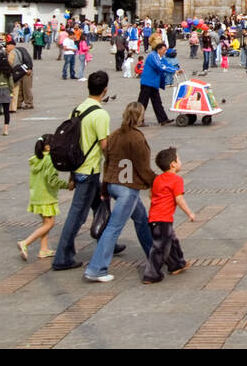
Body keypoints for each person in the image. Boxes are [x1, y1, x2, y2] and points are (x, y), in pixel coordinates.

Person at [86, 102, 155, 283]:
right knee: (114, 228)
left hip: (113, 184)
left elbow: (107, 162)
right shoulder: (137, 138)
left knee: (141, 220)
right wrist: (156, 182)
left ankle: (154, 256)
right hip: (128, 188)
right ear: (140, 117)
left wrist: (104, 188)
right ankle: (96, 268)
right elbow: (143, 168)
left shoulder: (115, 135)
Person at [53, 71, 113, 271]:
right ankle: (62, 256)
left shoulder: (77, 110)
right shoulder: (100, 114)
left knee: (100, 207)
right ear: (105, 90)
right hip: (90, 171)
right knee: (77, 215)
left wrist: (71, 174)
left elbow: (73, 144)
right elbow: (105, 146)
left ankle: (108, 240)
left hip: (79, 168)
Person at [143, 147, 195, 283]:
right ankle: (151, 274)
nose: (180, 161)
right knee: (160, 247)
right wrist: (189, 213)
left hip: (154, 218)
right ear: (173, 164)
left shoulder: (158, 179)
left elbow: (151, 194)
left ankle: (176, 264)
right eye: (179, 159)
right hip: (163, 219)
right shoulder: (176, 180)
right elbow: (179, 199)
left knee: (171, 241)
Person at [18, 137, 69, 260]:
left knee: (45, 223)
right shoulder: (50, 160)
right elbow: (52, 180)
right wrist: (67, 185)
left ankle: (44, 249)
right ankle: (25, 243)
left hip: (36, 196)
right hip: (46, 197)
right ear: (47, 147)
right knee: (49, 224)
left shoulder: (37, 159)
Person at [138, 41, 181, 126]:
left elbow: (166, 64)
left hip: (153, 83)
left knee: (157, 102)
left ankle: (163, 119)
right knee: (143, 102)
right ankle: (138, 120)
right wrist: (173, 70)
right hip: (147, 82)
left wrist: (176, 69)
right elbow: (160, 66)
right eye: (163, 50)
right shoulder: (152, 56)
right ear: (158, 50)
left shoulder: (160, 57)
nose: (164, 52)